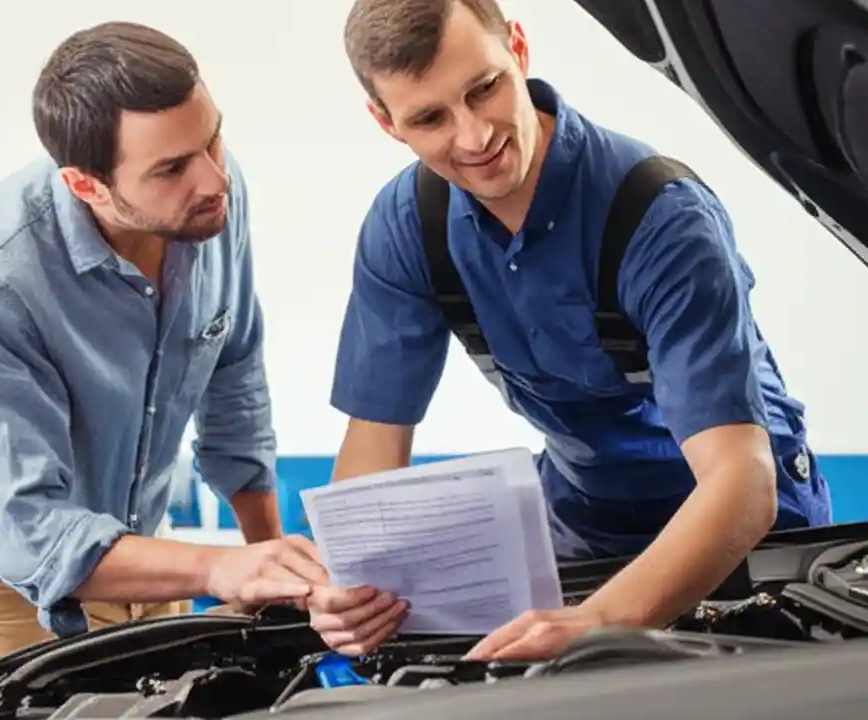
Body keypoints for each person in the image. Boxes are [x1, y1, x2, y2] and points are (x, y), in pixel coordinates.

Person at [306, 0, 833, 662]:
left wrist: (603, 620)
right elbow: (370, 464)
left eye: (485, 88)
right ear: (385, 123)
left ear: (519, 49)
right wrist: (350, 588)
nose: (473, 138)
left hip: (744, 527)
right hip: (587, 516)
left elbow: (741, 482)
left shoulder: (661, 218)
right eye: (430, 118)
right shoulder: (406, 226)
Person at [0, 21, 328, 675]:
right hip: (11, 594)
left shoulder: (213, 198)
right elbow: (26, 532)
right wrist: (222, 568)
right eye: (170, 168)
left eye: (213, 138)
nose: (213, 178)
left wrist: (269, 564)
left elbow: (234, 372)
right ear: (87, 186)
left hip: (148, 556)